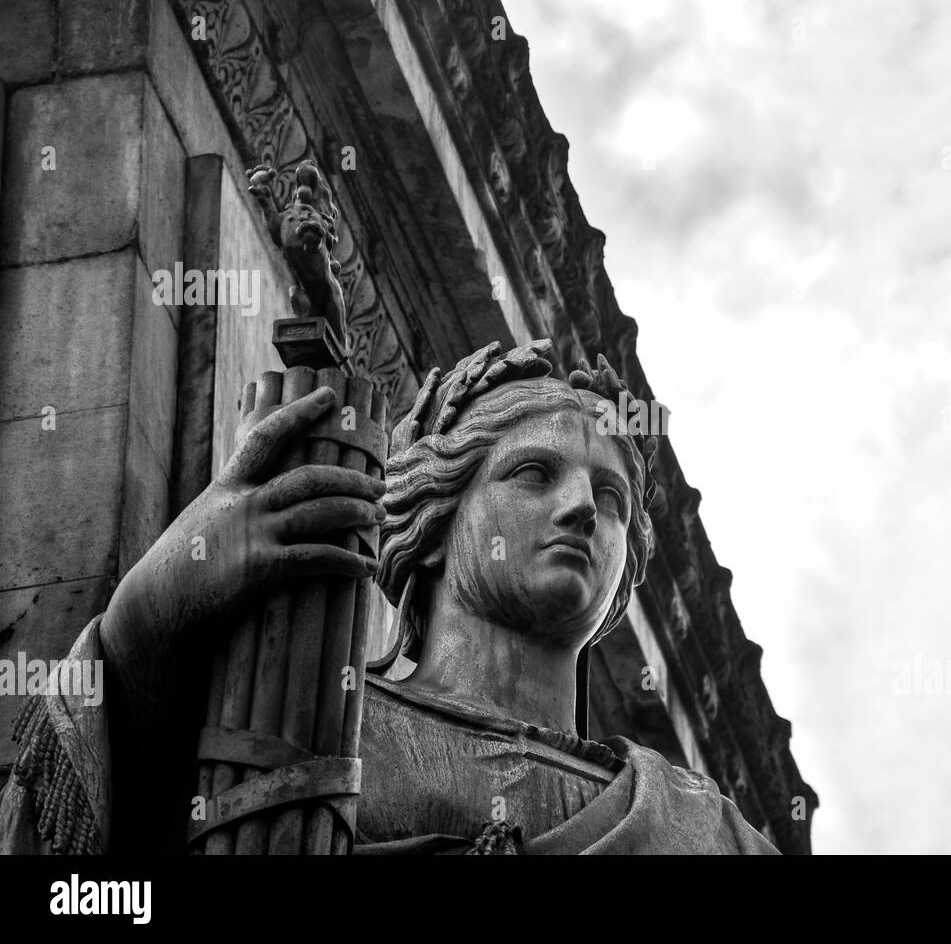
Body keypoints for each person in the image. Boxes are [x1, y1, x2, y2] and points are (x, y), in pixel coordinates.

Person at [0, 339, 777, 854]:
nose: (581, 509)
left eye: (609, 496)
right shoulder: (298, 717)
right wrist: (146, 613)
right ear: (434, 519)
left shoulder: (707, 830)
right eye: (533, 475)